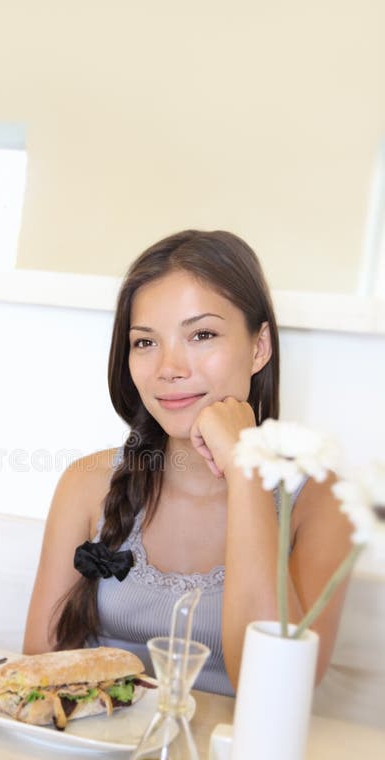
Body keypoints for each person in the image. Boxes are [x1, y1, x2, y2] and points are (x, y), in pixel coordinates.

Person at [22, 229, 352, 695]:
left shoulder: (320, 501)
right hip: (92, 758)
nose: (169, 368)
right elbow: (39, 668)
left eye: (202, 334)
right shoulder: (86, 483)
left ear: (259, 347)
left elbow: (278, 689)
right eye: (145, 342)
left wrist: (246, 471)